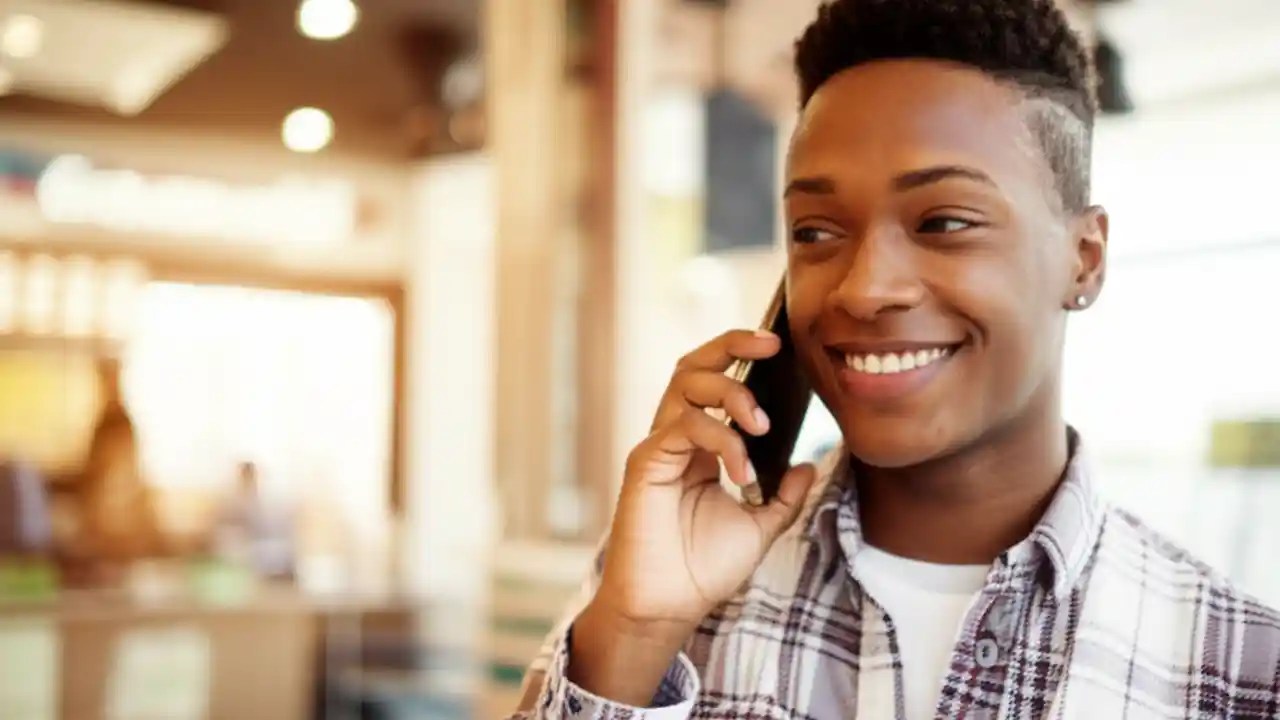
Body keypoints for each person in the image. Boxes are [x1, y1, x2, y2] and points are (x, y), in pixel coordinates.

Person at [512, 1, 1280, 718]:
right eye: (815, 231)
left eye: (944, 220)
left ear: (1083, 259)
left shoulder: (1242, 667)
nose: (864, 288)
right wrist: (637, 635)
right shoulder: (666, 585)